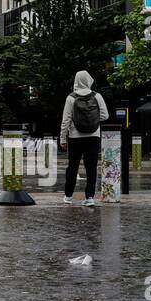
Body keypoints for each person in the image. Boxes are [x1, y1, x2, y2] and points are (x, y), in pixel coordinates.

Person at [60, 70, 108, 206]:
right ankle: (89, 197)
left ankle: (68, 196)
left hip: (75, 137)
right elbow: (105, 116)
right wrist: (92, 120)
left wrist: (63, 139)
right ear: (88, 80)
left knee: (72, 167)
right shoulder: (97, 96)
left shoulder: (71, 97)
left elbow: (66, 120)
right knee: (91, 167)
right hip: (93, 136)